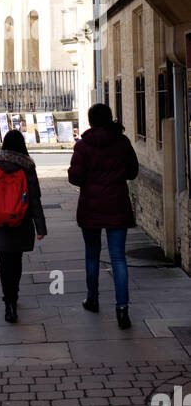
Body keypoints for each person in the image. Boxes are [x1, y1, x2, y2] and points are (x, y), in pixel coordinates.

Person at [68, 103, 139, 329]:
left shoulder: (83, 146)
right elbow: (133, 172)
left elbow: (75, 178)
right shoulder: (122, 142)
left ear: (90, 121)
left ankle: (93, 298)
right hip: (117, 204)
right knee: (118, 257)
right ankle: (122, 309)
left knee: (92, 255)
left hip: (91, 206)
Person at [0, 129, 47, 322]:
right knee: (16, 263)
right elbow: (35, 198)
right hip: (21, 222)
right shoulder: (27, 167)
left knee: (4, 264)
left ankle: (8, 302)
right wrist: (40, 228)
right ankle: (13, 296)